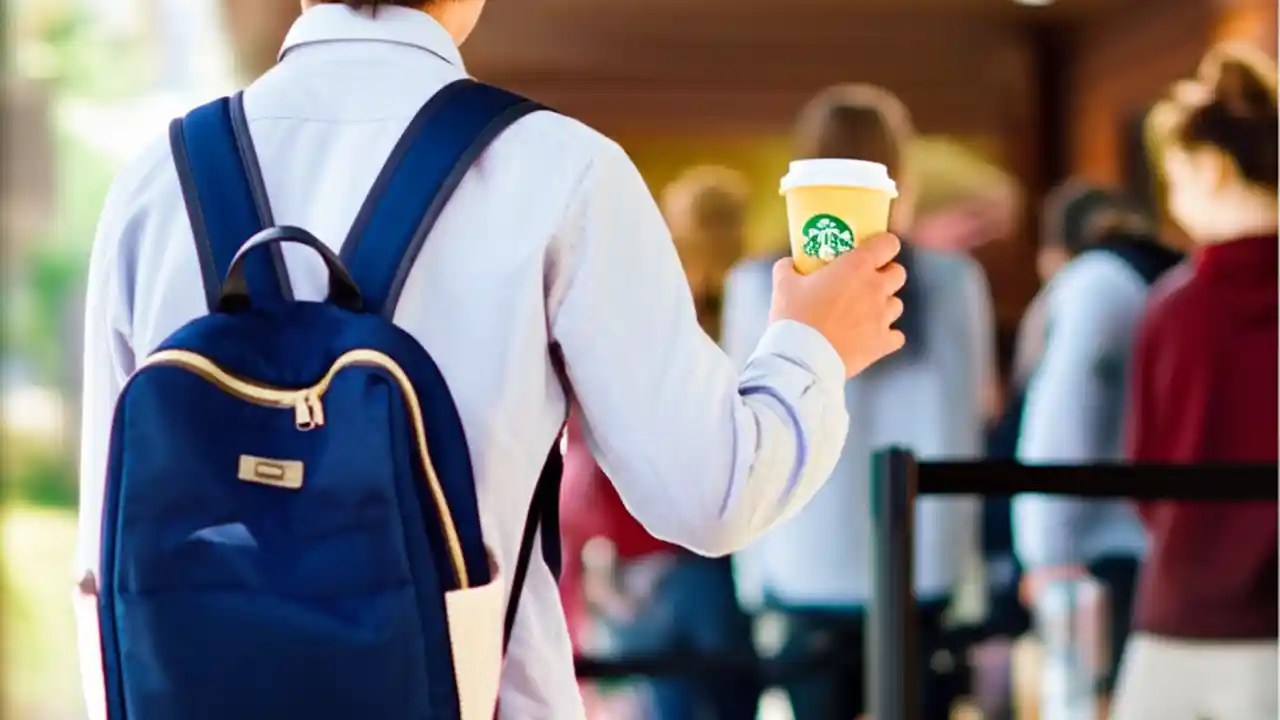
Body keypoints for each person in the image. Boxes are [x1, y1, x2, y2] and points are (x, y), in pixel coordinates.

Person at [73, 3, 909, 718]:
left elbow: (106, 562)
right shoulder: (556, 169)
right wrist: (814, 345)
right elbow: (710, 494)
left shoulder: (157, 180)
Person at [723, 84, 994, 720]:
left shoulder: (757, 283)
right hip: (921, 561)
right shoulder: (953, 282)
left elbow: (744, 423)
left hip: (799, 558)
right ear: (899, 173)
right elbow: (971, 418)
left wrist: (750, 574)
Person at [1113, 43, 1278, 720]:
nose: (1174, 202)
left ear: (1210, 168)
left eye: (1175, 178)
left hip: (1179, 608)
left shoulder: (1177, 306)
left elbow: (1145, 472)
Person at [559, 166, 760, 719]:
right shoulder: (754, 313)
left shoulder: (643, 307)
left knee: (662, 700)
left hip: (638, 553)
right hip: (725, 552)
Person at [1009, 180, 1182, 712]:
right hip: (1163, 538)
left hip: (1095, 549)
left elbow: (1063, 415)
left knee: (1090, 700)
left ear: (1053, 252)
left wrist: (1043, 550)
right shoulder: (1169, 274)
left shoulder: (1092, 285)